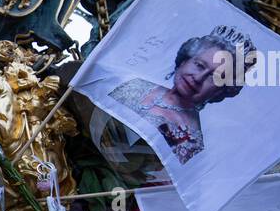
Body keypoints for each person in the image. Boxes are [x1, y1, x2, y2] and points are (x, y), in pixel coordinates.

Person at [108, 26, 258, 164]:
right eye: (199, 65)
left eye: (214, 77)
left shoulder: (192, 142)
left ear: (220, 91)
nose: (198, 78)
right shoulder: (135, 86)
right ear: (184, 61)